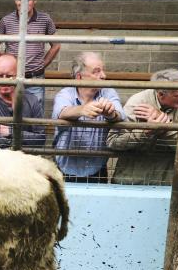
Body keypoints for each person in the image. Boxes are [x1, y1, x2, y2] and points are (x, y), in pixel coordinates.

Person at [107, 69, 178, 185]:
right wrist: (145, 132)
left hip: (166, 179)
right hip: (132, 178)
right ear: (161, 94)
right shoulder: (137, 102)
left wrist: (166, 129)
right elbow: (113, 142)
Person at [52, 52, 124, 182]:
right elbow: (61, 112)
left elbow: (120, 115)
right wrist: (81, 110)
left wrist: (111, 113)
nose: (103, 76)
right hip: (64, 169)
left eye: (102, 70)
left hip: (97, 169)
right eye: (96, 72)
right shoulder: (65, 94)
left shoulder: (108, 92)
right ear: (79, 77)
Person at [0, 0, 60, 103]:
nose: (24, 2)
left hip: (36, 79)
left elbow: (56, 45)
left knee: (35, 117)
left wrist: (42, 64)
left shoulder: (45, 19)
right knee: (11, 114)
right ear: (15, 0)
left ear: (35, 0)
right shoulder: (6, 21)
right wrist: (6, 63)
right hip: (12, 79)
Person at [0, 54, 45, 149]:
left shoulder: (32, 100)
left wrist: (10, 131)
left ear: (18, 76)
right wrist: (17, 142)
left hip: (25, 159)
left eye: (9, 76)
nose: (5, 81)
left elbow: (40, 139)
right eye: (0, 76)